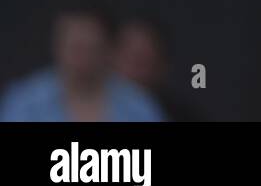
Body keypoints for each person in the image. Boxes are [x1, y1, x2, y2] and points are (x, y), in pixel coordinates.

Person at [0, 7, 163, 121]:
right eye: (75, 48)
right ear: (57, 46)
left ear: (107, 49)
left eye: (90, 48)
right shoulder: (25, 101)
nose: (81, 58)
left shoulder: (136, 104)